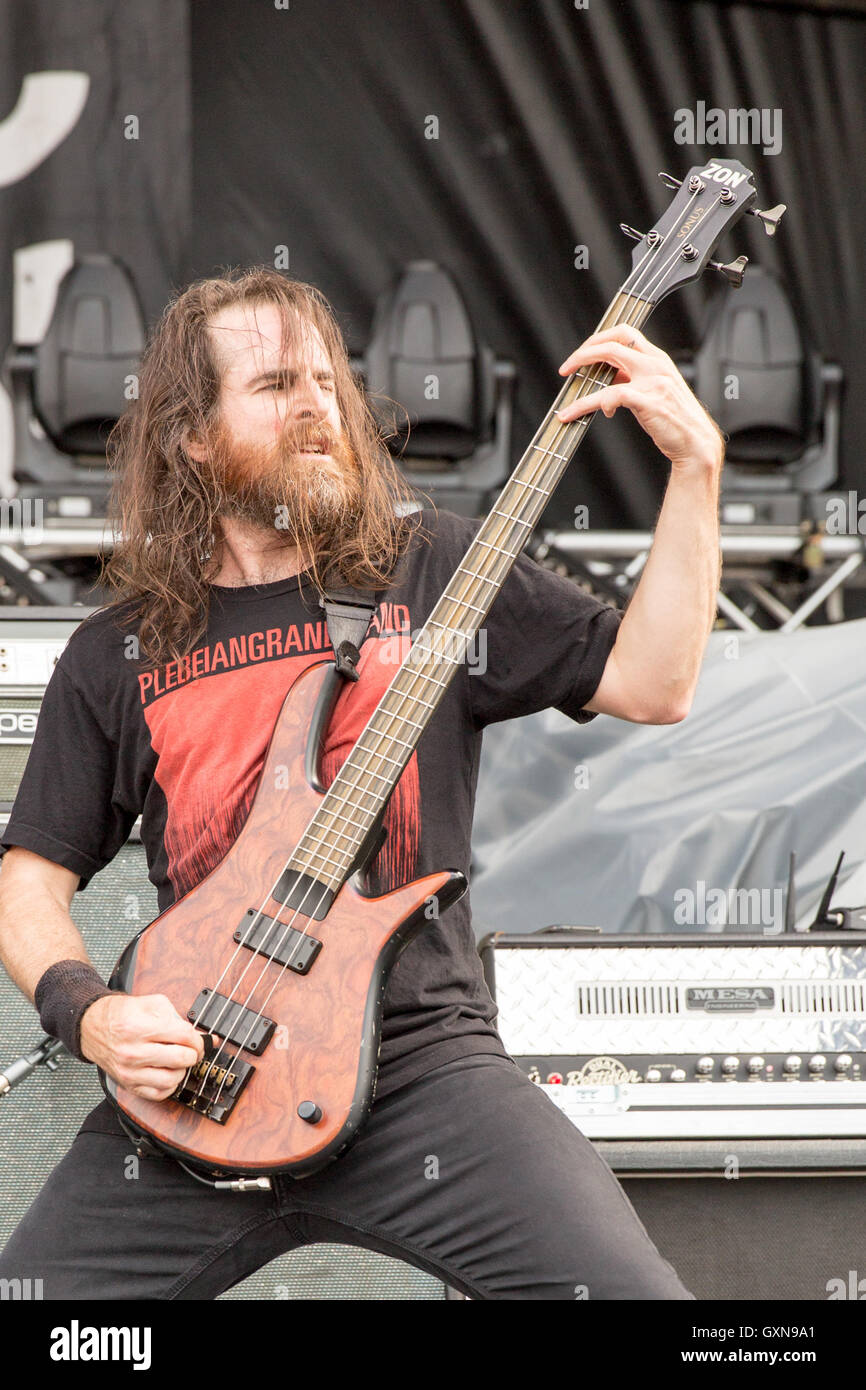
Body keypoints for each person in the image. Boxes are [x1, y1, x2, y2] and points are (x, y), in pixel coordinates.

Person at [0, 266, 722, 1300]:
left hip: (421, 1070)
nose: (317, 407)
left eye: (328, 383)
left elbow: (653, 680)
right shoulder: (119, 649)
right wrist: (92, 1016)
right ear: (190, 436)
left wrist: (696, 467)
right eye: (276, 386)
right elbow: (29, 876)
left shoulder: (428, 568)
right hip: (198, 1081)